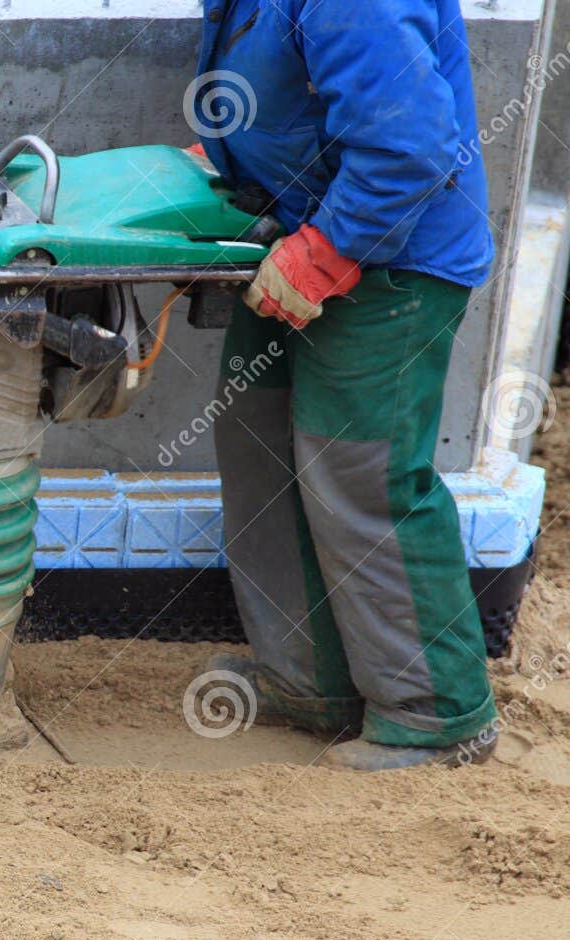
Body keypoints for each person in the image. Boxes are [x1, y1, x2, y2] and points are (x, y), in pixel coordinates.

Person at [190, 0, 498, 769]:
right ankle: (311, 681)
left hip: (395, 253)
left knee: (360, 473)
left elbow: (410, 148)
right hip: (303, 220)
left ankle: (434, 712)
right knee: (257, 434)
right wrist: (230, 156)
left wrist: (327, 251)